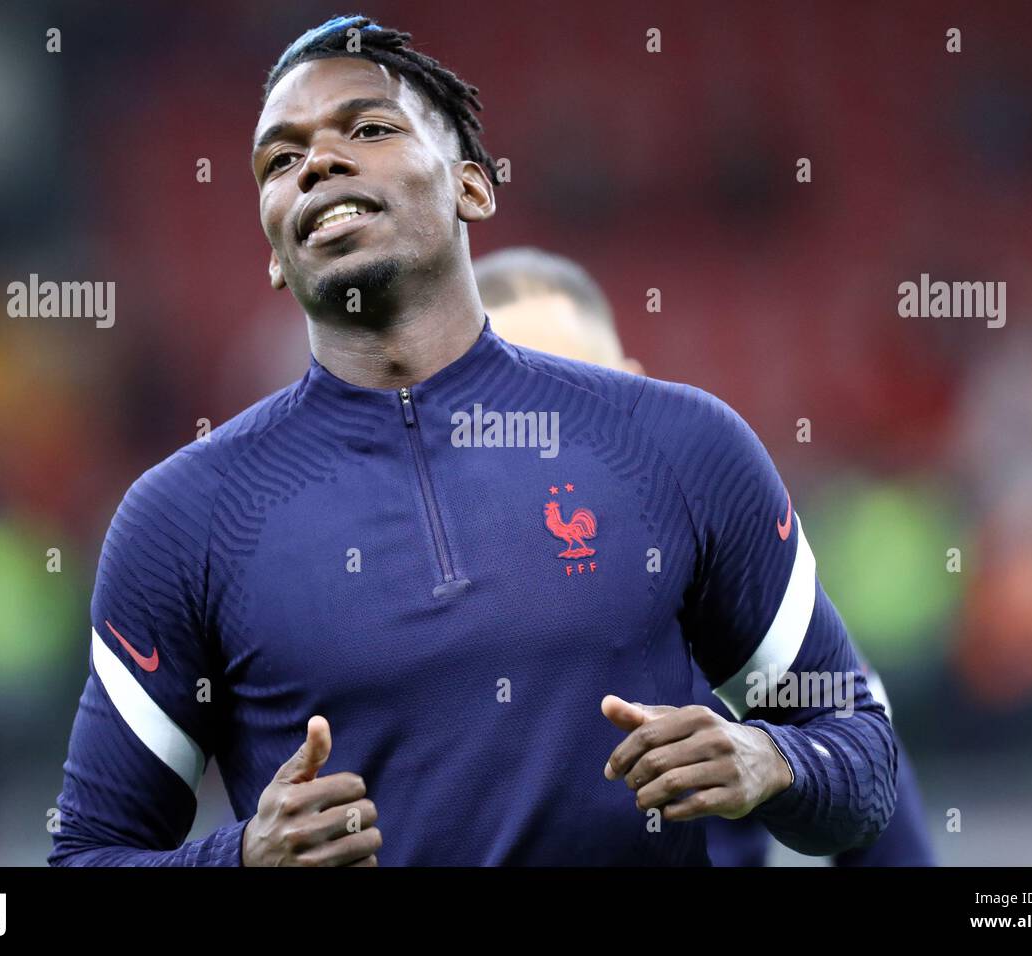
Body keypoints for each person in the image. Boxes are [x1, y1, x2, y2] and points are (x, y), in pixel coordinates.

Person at [50, 14, 896, 867]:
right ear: (274, 248)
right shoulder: (184, 520)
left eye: (370, 128)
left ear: (473, 189)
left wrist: (775, 759)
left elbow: (864, 759)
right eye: (280, 159)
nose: (317, 163)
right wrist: (236, 862)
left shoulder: (679, 445)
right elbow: (85, 855)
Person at [476, 246, 935, 866]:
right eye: (516, 418)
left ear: (634, 388)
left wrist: (774, 761)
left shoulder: (727, 597)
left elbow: (875, 809)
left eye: (581, 397)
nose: (549, 442)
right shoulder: (390, 634)